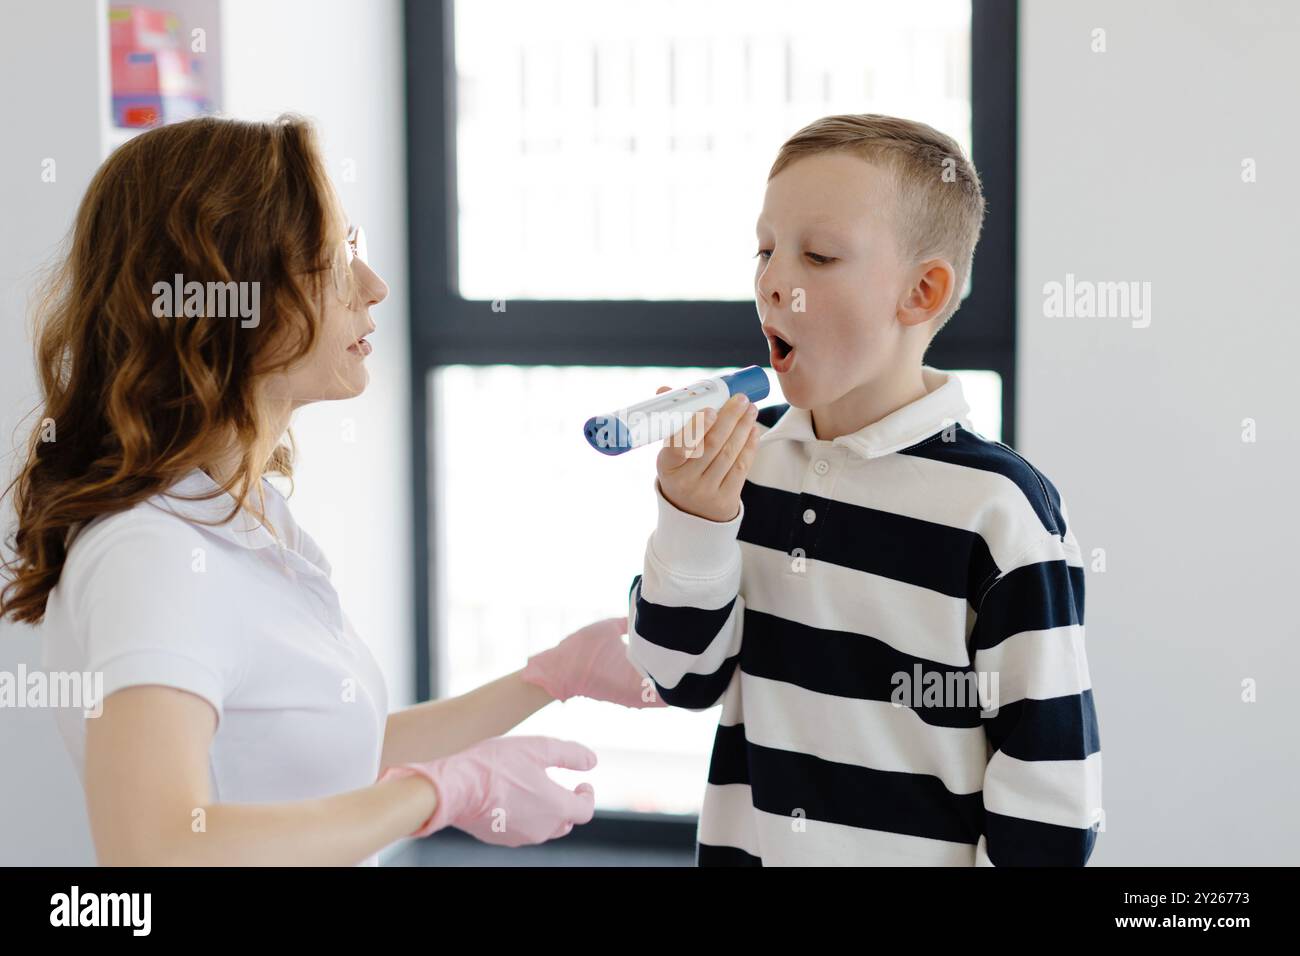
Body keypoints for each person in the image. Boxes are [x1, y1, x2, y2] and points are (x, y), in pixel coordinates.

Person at [0, 114, 659, 866]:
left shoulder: (244, 516)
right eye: (333, 256)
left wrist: (550, 677)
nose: (372, 288)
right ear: (231, 293)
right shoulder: (150, 552)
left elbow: (323, 753)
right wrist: (437, 795)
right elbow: (155, 846)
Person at [626, 114, 1102, 866]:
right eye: (765, 249)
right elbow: (677, 678)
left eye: (818, 256)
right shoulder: (746, 463)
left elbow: (1050, 795)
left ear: (921, 291)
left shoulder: (1000, 511)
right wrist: (694, 524)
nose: (775, 280)